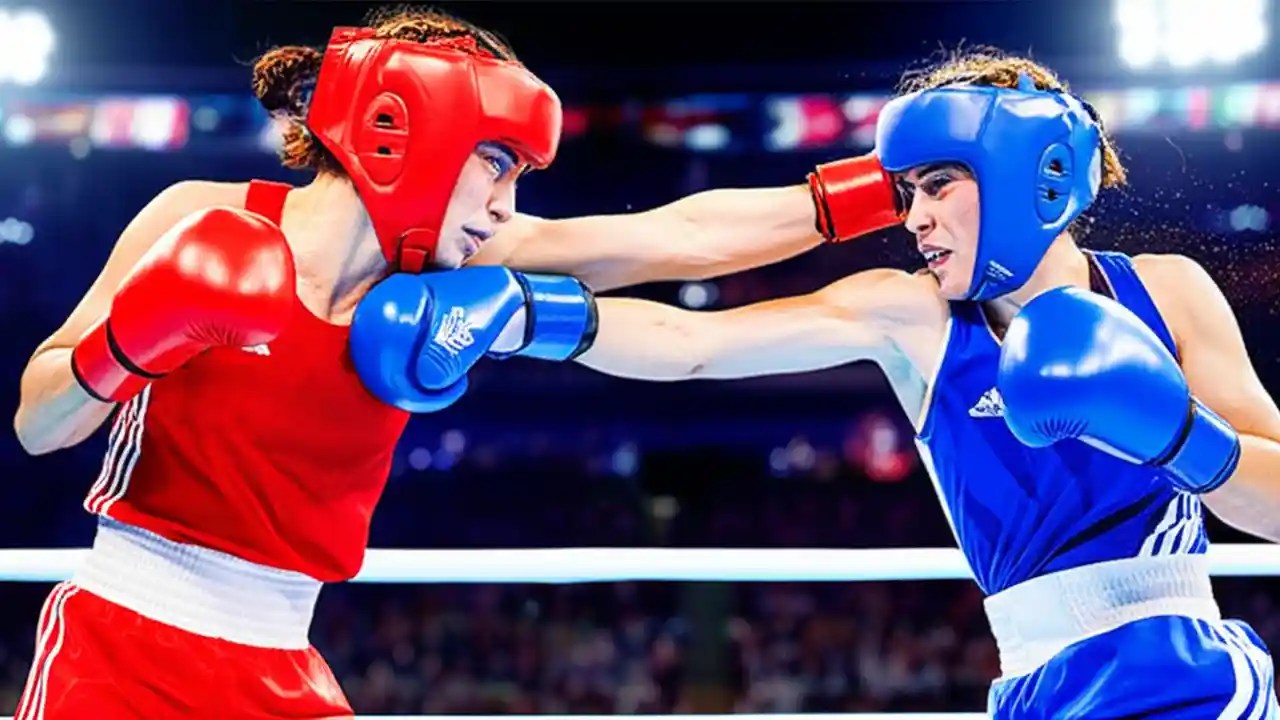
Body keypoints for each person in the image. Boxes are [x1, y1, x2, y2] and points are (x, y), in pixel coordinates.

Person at [9, 7, 896, 717]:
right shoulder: (200, 216)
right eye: (497, 165)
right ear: (406, 134)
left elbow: (678, 238)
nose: (505, 206)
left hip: (281, 661)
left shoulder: (453, 268)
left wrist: (884, 190)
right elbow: (39, 422)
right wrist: (135, 338)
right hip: (122, 642)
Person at [360, 50, 1280, 717]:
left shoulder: (1163, 292)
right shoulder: (912, 316)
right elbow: (693, 344)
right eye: (907, 190)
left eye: (938, 185)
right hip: (1037, 687)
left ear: (1028, 180)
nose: (913, 217)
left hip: (1187, 672)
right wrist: (531, 316)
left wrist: (1179, 434)